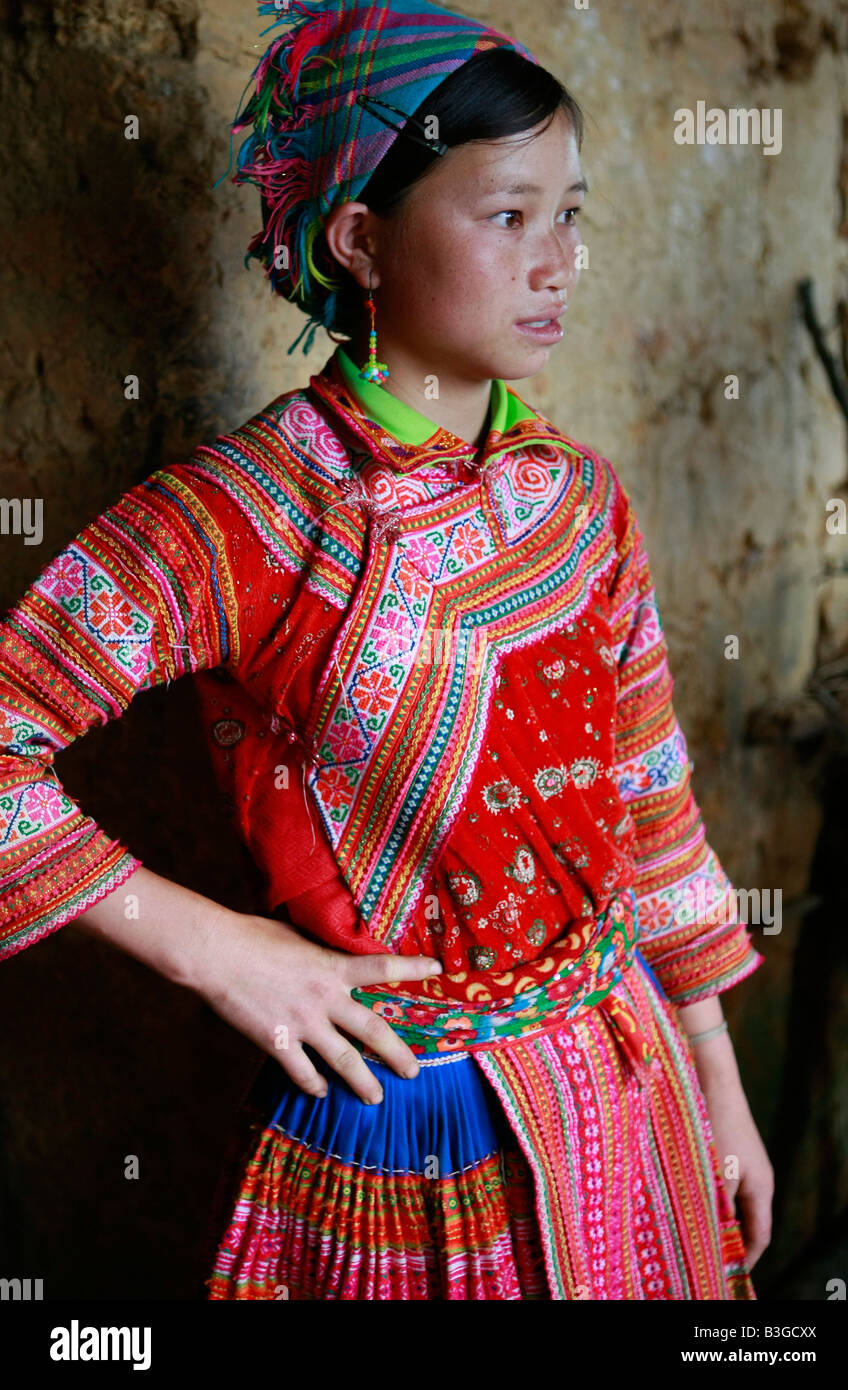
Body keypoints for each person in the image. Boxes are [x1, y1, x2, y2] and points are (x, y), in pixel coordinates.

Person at [0, 0, 774, 1300]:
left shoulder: (578, 499)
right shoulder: (248, 513)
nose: (557, 262)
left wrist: (716, 1078)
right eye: (506, 213)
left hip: (625, 1084)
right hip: (409, 1131)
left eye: (570, 214)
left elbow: (648, 800)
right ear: (360, 238)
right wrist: (221, 948)